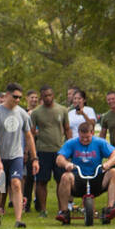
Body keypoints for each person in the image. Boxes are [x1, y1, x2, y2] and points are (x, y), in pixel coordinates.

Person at [0, 82, 38, 228]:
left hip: (16, 155)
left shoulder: (22, 114)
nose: (17, 100)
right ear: (7, 95)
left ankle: (18, 219)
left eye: (19, 97)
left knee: (16, 184)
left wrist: (35, 159)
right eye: (15, 97)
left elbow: (29, 137)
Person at [55, 121, 115, 224]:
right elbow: (59, 158)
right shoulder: (72, 143)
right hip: (78, 179)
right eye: (82, 138)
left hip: (96, 178)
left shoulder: (100, 142)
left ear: (92, 133)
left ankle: (110, 208)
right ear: (78, 134)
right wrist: (66, 164)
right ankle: (64, 211)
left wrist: (108, 164)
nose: (85, 140)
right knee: (65, 176)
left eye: (87, 137)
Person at [29, 85, 69, 216]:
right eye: (45, 96)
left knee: (61, 180)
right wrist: (31, 151)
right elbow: (31, 132)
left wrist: (70, 148)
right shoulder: (36, 113)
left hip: (59, 150)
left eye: (50, 95)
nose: (48, 98)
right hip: (42, 150)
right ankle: (43, 209)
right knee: (42, 181)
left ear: (53, 95)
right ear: (41, 97)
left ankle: (61, 208)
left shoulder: (62, 110)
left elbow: (67, 129)